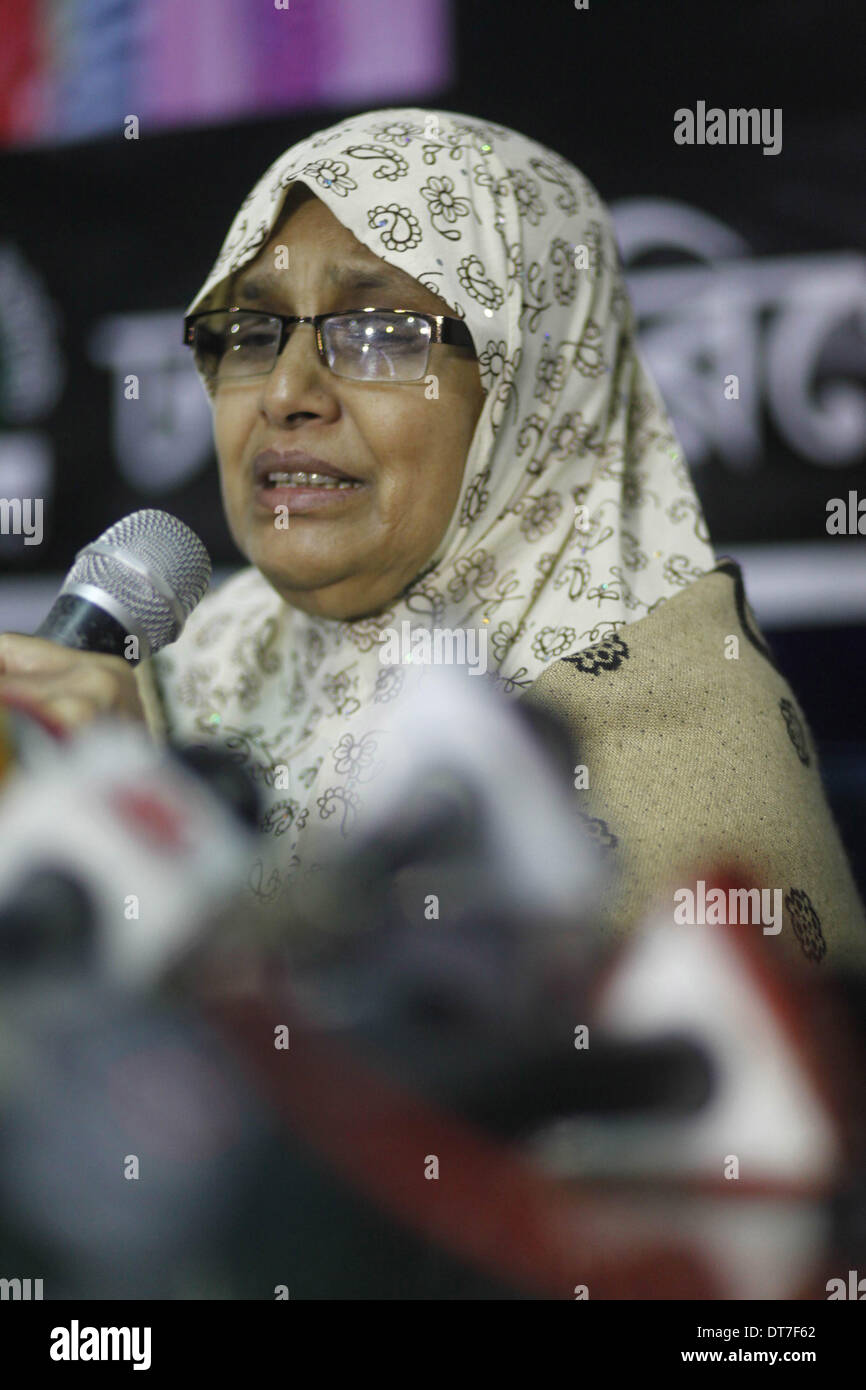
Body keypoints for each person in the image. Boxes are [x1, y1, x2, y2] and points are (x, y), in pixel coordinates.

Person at [1, 106, 863, 971]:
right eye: (253, 334)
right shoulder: (205, 662)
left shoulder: (678, 737)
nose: (284, 392)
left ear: (537, 377)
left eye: (379, 333)